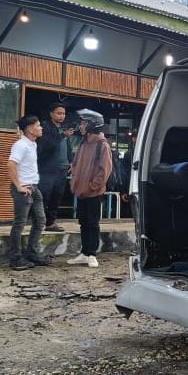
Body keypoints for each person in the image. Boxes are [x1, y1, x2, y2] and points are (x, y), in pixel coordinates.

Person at [68, 109, 112, 268]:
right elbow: (76, 164)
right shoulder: (83, 142)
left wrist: (92, 186)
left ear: (92, 125)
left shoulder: (102, 145)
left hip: (92, 192)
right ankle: (84, 252)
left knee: (92, 223)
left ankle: (92, 254)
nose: (80, 126)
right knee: (83, 223)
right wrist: (75, 183)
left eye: (83, 123)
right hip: (81, 191)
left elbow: (104, 170)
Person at [8, 115, 50, 271]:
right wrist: (18, 186)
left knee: (40, 220)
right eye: (38, 125)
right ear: (29, 129)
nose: (41, 128)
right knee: (20, 223)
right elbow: (11, 165)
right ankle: (15, 258)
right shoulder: (21, 145)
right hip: (23, 189)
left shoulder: (33, 144)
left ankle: (32, 253)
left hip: (34, 188)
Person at [37, 102, 74, 232]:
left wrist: (71, 161)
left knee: (57, 195)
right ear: (51, 114)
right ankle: (40, 222)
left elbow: (68, 147)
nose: (62, 116)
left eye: (63, 113)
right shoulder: (45, 127)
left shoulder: (63, 129)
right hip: (48, 168)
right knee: (45, 195)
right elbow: (47, 144)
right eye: (59, 113)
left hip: (63, 168)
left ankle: (51, 222)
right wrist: (63, 135)